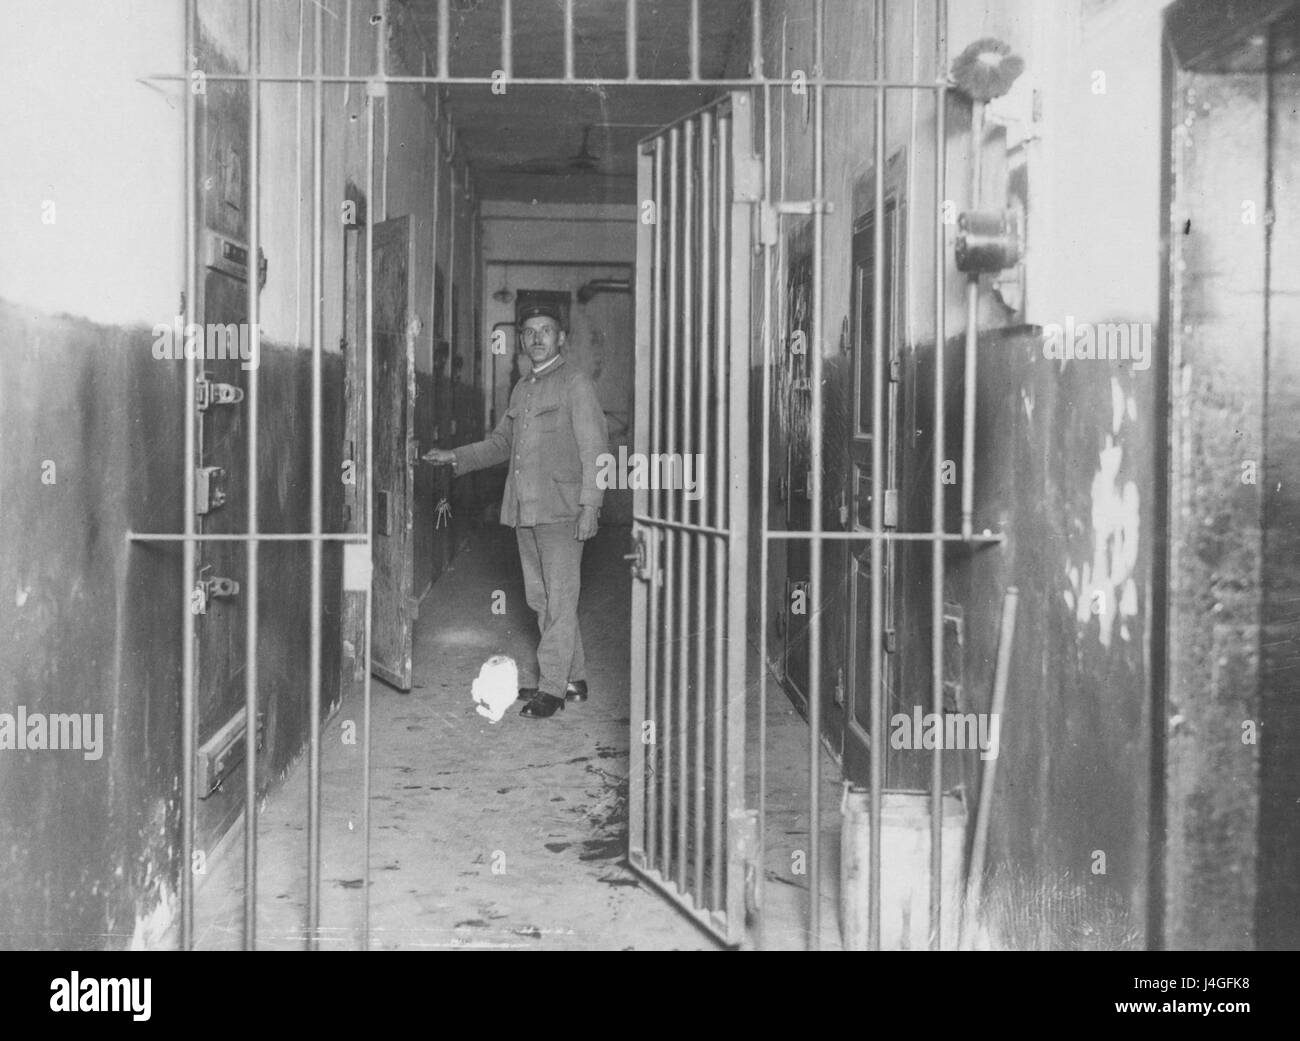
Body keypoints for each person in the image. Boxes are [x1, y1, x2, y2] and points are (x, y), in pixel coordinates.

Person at [424, 301, 608, 719]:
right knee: (542, 598)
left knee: (559, 601)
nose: (537, 338)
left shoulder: (575, 384)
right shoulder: (523, 389)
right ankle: (572, 679)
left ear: (561, 338)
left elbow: (597, 450)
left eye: (546, 330)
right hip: (525, 509)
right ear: (521, 340)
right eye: (529, 332)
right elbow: (501, 444)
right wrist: (456, 457)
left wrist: (591, 506)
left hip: (562, 510)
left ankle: (551, 690)